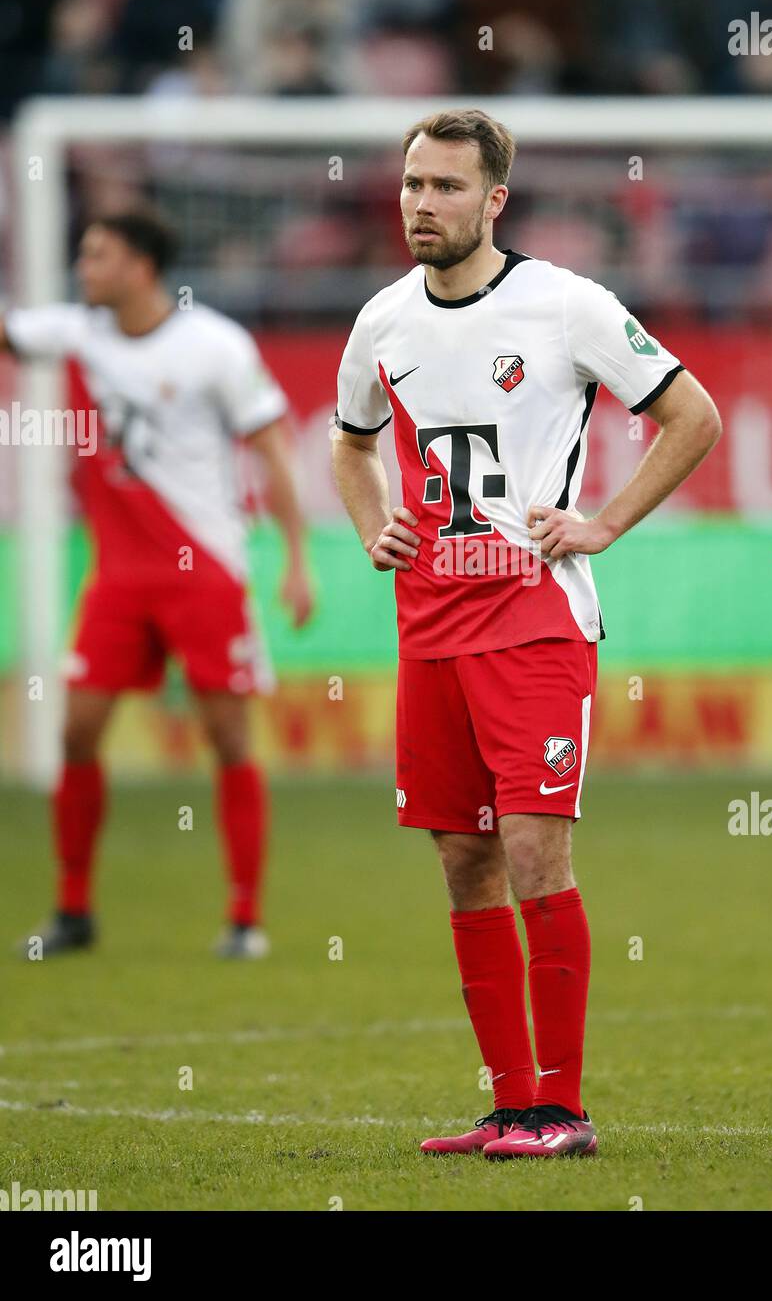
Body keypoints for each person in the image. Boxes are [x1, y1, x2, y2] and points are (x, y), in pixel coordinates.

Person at [331, 109, 721, 1157]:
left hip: (535, 623)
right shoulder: (381, 323)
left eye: (447, 187)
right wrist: (376, 529)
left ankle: (562, 1108)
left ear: (494, 200)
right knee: (464, 861)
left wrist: (600, 524)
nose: (421, 203)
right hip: (429, 632)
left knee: (534, 850)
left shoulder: (566, 306)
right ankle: (508, 1105)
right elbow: (349, 443)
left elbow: (694, 415)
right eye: (412, 183)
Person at [2, 209, 313, 959]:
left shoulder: (214, 346)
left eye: (97, 254)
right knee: (77, 731)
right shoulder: (76, 332)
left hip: (202, 570)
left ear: (139, 266)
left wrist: (296, 560)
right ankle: (73, 910)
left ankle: (245, 918)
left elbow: (272, 448)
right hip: (118, 579)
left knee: (228, 736)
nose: (83, 267)